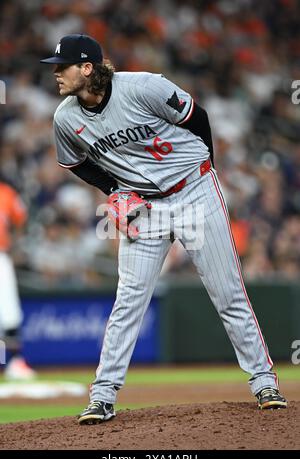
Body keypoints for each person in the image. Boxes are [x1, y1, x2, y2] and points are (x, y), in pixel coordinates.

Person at [41, 34, 287, 424]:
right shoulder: (66, 118)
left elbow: (197, 118)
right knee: (129, 301)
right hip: (144, 207)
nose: (55, 73)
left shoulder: (143, 87)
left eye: (62, 66)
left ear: (87, 68)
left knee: (228, 294)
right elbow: (74, 164)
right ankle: (102, 396)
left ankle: (264, 382)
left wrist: (204, 171)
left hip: (195, 190)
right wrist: (113, 189)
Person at [0, 178, 36, 380]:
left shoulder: (5, 192)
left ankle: (13, 362)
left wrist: (15, 246)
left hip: (1, 255)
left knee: (9, 313)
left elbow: (21, 219)